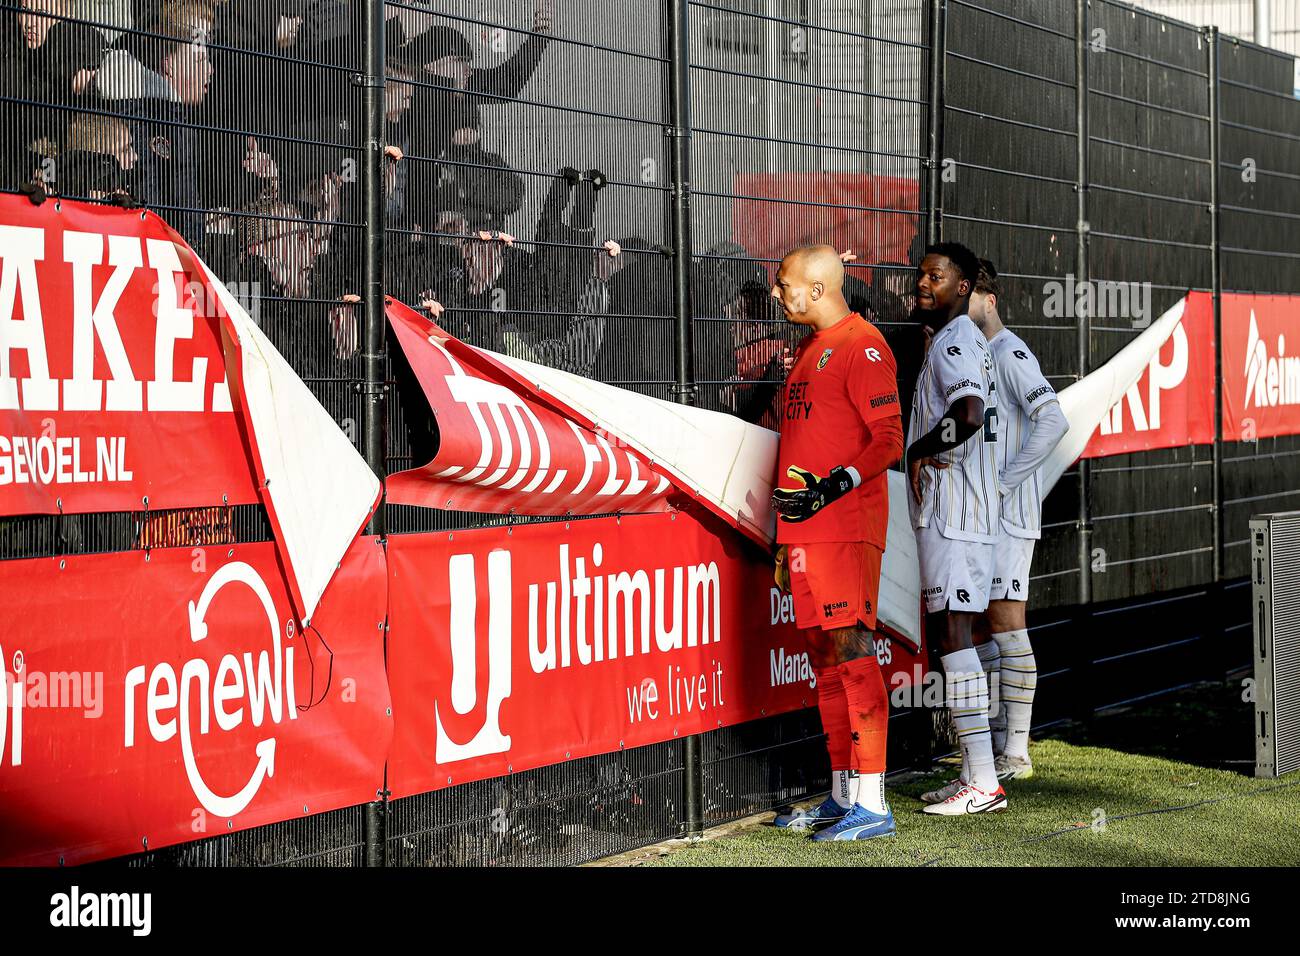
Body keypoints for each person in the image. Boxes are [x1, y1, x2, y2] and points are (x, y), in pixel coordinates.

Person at [767, 245, 903, 841]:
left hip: (845, 529)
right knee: (824, 661)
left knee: (851, 653)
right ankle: (843, 795)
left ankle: (873, 805)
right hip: (805, 535)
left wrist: (834, 487)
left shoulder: (862, 345)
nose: (778, 293)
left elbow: (889, 439)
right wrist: (783, 538)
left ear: (818, 288)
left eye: (785, 284)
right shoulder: (811, 349)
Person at [905, 241, 1008, 815]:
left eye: (936, 276)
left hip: (957, 513)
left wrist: (919, 449)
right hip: (964, 511)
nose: (923, 283)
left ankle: (984, 781)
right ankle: (976, 770)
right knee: (958, 635)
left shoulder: (956, 339)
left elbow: (967, 415)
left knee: (953, 636)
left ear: (963, 287)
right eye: (921, 274)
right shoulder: (956, 339)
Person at [965, 259, 1069, 782]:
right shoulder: (975, 357)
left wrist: (1007, 481)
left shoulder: (1010, 352)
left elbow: (1054, 419)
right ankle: (994, 739)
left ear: (990, 299)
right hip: (978, 516)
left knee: (1008, 623)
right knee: (982, 622)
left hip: (1008, 517)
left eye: (970, 299)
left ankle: (1018, 751)